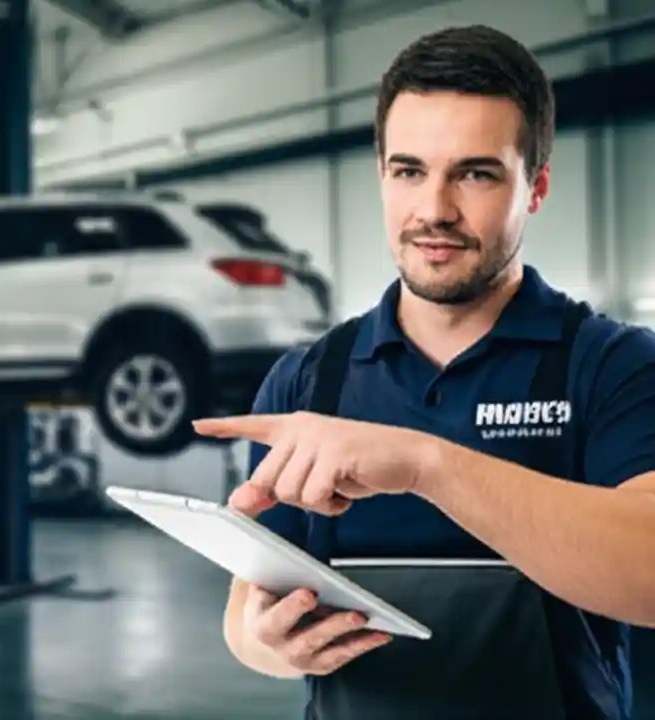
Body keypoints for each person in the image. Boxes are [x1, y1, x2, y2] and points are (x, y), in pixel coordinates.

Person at [196, 24, 655, 720]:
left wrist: (423, 464)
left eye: (475, 173)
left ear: (536, 187)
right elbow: (245, 612)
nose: (434, 210)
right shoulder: (308, 384)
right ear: (382, 175)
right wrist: (267, 645)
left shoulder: (611, 365)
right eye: (410, 170)